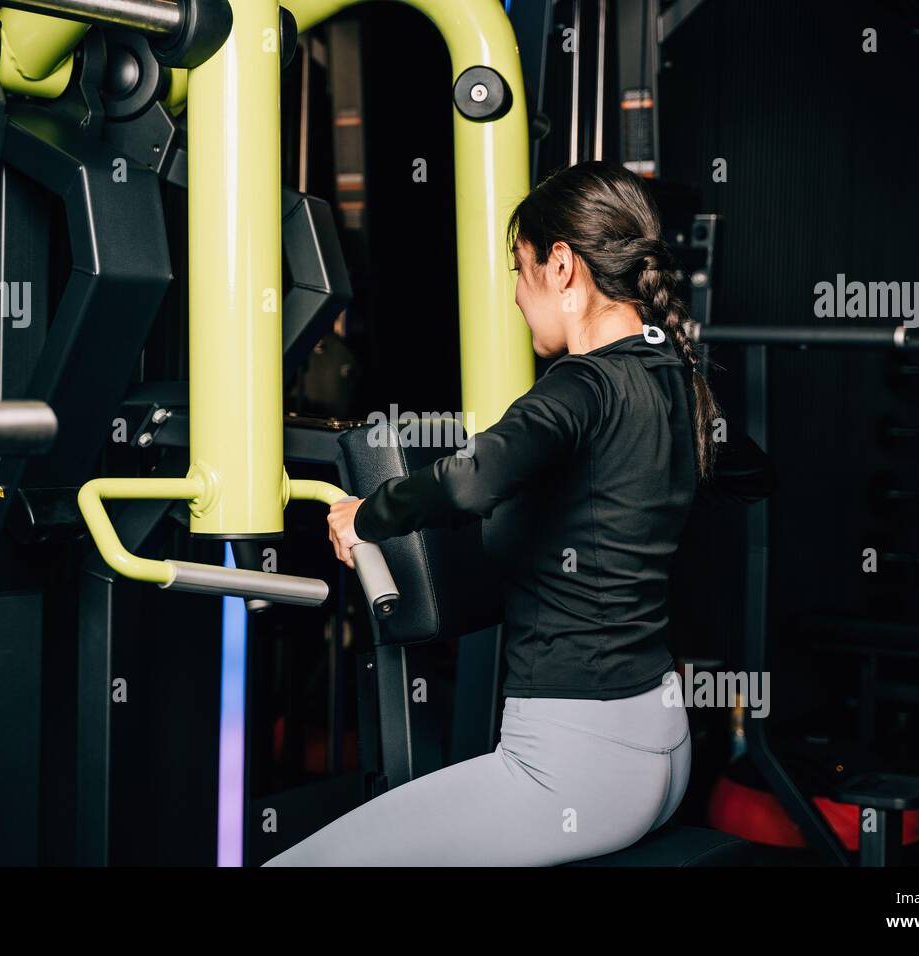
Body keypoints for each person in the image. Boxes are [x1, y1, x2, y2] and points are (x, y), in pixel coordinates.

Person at [263, 160, 774, 867]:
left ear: (561, 266)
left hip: (575, 767)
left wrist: (367, 516)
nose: (512, 292)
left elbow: (471, 481)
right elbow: (752, 474)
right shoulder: (677, 380)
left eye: (519, 266)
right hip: (664, 748)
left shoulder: (580, 387)